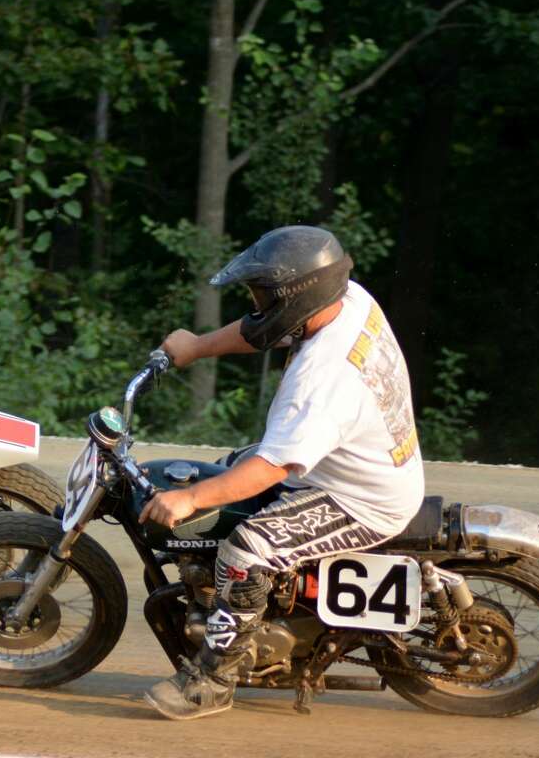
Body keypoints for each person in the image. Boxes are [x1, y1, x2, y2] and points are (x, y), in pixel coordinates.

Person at [139, 224, 424, 720]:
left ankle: (213, 681)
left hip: (361, 500)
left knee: (246, 549)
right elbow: (269, 326)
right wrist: (198, 346)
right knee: (231, 469)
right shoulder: (347, 298)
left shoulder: (324, 379)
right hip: (358, 463)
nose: (255, 303)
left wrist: (189, 499)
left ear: (298, 294)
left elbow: (272, 468)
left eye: (262, 294)